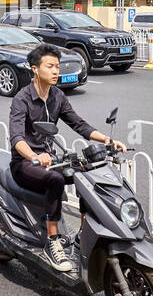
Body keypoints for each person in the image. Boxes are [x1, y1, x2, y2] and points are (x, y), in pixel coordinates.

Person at [8, 43, 125, 272]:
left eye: (57, 67)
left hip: (51, 160)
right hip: (24, 164)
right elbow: (16, 138)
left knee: (86, 176)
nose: (55, 71)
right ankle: (52, 243)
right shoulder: (22, 99)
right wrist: (34, 155)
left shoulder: (57, 96)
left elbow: (78, 124)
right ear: (35, 69)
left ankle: (83, 234)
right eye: (50, 66)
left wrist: (108, 141)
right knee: (56, 180)